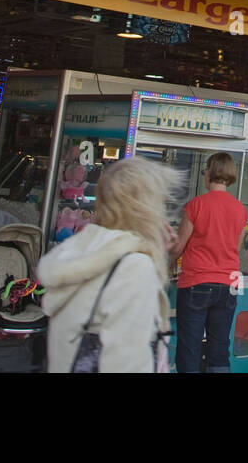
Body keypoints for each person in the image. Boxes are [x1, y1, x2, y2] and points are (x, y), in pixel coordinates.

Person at [37, 158, 180, 373]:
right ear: (144, 207)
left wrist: (154, 252)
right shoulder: (134, 267)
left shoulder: (78, 251)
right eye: (159, 201)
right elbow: (127, 362)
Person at [168, 152, 247, 373]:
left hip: (196, 283)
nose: (204, 172)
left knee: (189, 347)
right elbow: (236, 247)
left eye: (206, 168)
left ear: (210, 171)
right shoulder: (240, 210)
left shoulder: (196, 205)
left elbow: (179, 245)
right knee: (220, 347)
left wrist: (169, 263)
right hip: (228, 284)